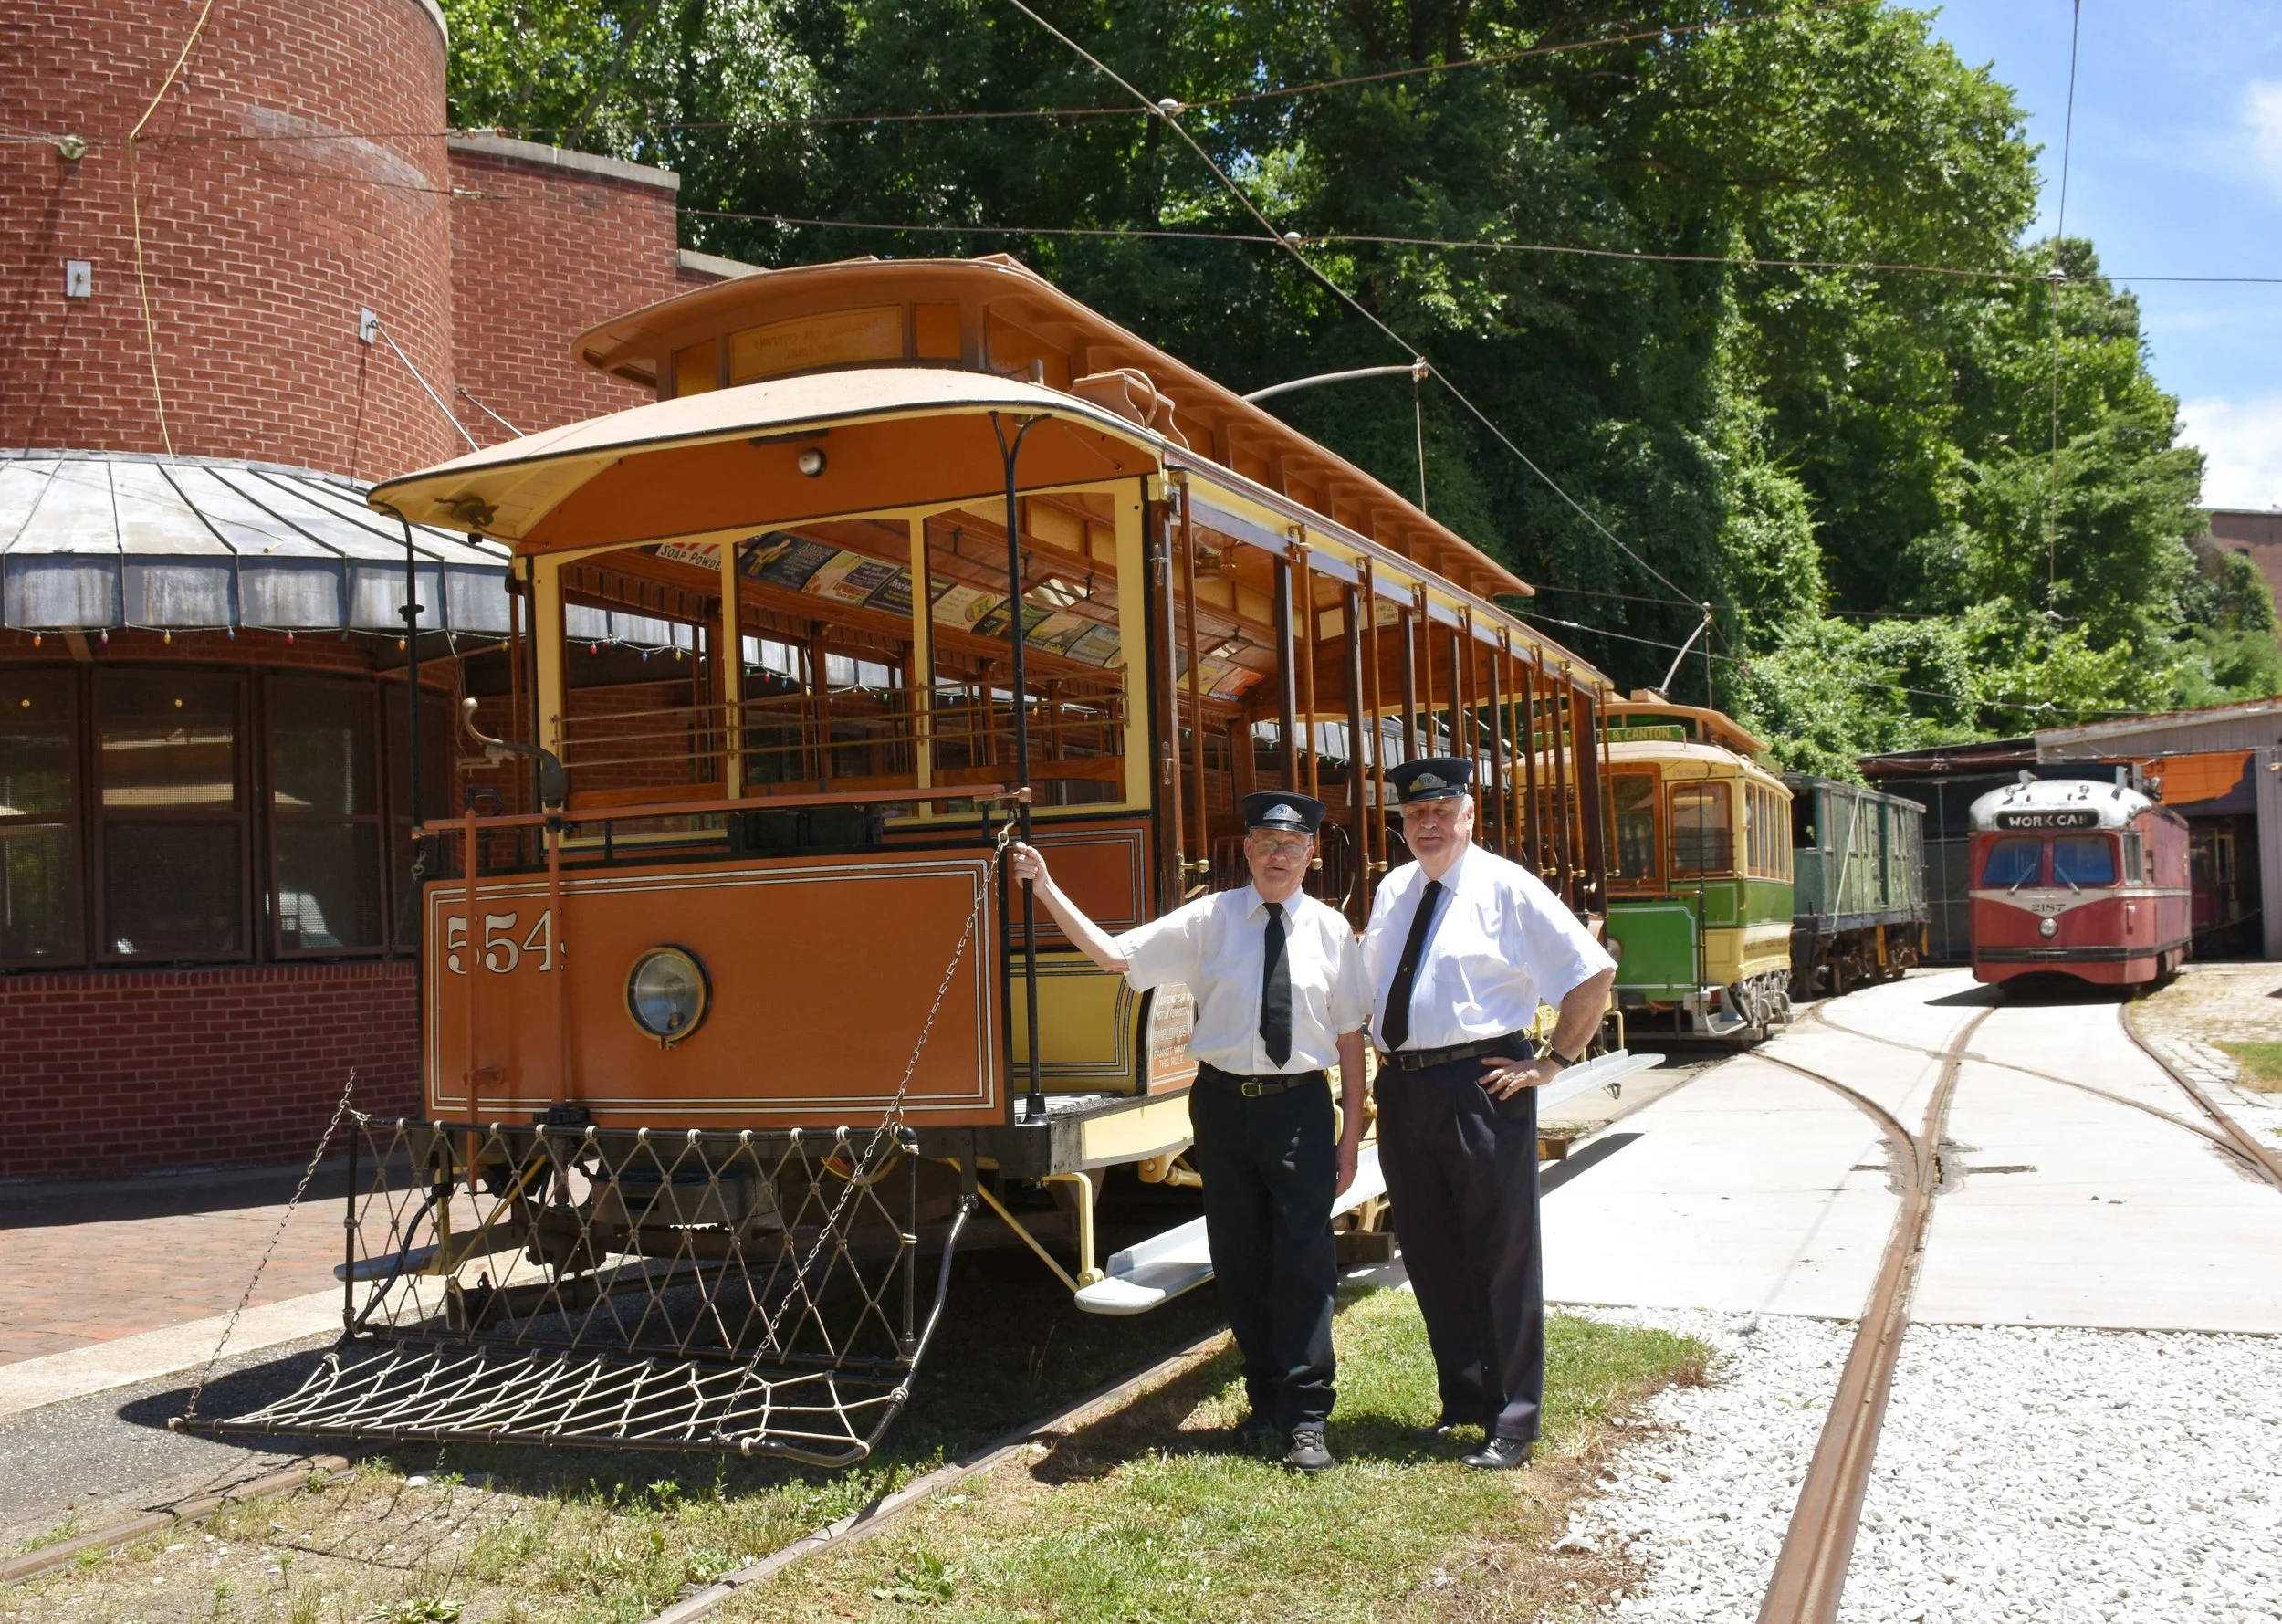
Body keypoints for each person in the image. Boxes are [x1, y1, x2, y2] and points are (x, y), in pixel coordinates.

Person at [1006, 791, 1369, 1472]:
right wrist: (1047, 886)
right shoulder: (1211, 919)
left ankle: (1308, 1415)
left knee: (1304, 1261)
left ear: (1310, 854)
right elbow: (1116, 955)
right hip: (1225, 1108)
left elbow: (1349, 1036)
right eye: (1265, 843)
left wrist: (1351, 1136)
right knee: (1240, 1259)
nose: (1278, 856)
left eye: (1292, 846)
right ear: (1248, 851)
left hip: (1299, 1109)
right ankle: (1265, 1406)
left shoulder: (1330, 930)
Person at [1363, 757, 1617, 1471]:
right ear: (1402, 823)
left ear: (1469, 813)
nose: (1430, 824)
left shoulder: (1506, 885)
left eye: (1443, 810)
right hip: (1406, 1088)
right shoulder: (1393, 889)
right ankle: (1464, 1401)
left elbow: (1592, 972)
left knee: (1501, 1255)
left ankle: (1513, 1419)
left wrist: (1552, 1061)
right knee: (1432, 1250)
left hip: (1482, 1085)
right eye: (1416, 815)